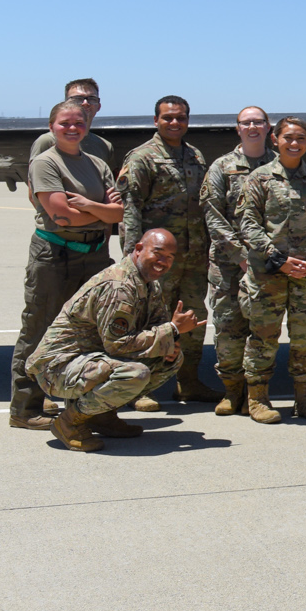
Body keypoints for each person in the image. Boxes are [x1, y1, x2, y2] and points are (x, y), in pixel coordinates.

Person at [28, 228, 200, 451]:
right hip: (58, 367)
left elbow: (154, 329)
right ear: (138, 249)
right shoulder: (119, 285)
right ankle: (69, 421)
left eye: (169, 257)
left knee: (170, 360)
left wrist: (170, 344)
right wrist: (173, 329)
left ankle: (101, 414)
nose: (163, 262)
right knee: (134, 373)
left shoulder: (149, 284)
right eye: (158, 253)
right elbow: (117, 344)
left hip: (92, 359)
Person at [8, 101, 121, 430]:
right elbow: (60, 215)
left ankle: (92, 412)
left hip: (95, 253)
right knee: (39, 329)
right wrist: (100, 210)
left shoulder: (97, 163)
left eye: (79, 123)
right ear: (52, 127)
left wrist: (88, 206)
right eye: (65, 123)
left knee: (92, 333)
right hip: (55, 255)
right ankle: (25, 409)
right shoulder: (46, 162)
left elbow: (118, 214)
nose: (73, 128)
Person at [235, 118, 306, 423]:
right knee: (263, 337)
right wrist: (276, 257)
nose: (295, 144)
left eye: (301, 138)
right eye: (288, 138)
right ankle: (258, 399)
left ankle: (305, 398)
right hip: (268, 275)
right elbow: (247, 223)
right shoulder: (259, 179)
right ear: (275, 140)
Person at [115, 95, 210, 407]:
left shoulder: (195, 156)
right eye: (168, 117)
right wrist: (133, 258)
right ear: (156, 120)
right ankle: (140, 388)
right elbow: (131, 210)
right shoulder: (142, 157)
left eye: (181, 117)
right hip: (156, 261)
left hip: (193, 256)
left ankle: (189, 381)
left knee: (193, 318)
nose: (175, 122)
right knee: (150, 321)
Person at [202, 106, 274, 417]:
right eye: (247, 123)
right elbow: (213, 215)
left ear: (268, 126)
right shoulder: (222, 167)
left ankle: (258, 394)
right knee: (228, 327)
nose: (253, 127)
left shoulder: (280, 163)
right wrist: (241, 256)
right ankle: (232, 391)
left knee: (263, 329)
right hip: (229, 264)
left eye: (259, 122)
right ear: (238, 128)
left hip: (269, 262)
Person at [28, 79, 113, 167]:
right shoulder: (47, 141)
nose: (85, 103)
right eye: (78, 99)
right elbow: (34, 177)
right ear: (66, 104)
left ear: (98, 106)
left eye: (92, 99)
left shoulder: (104, 146)